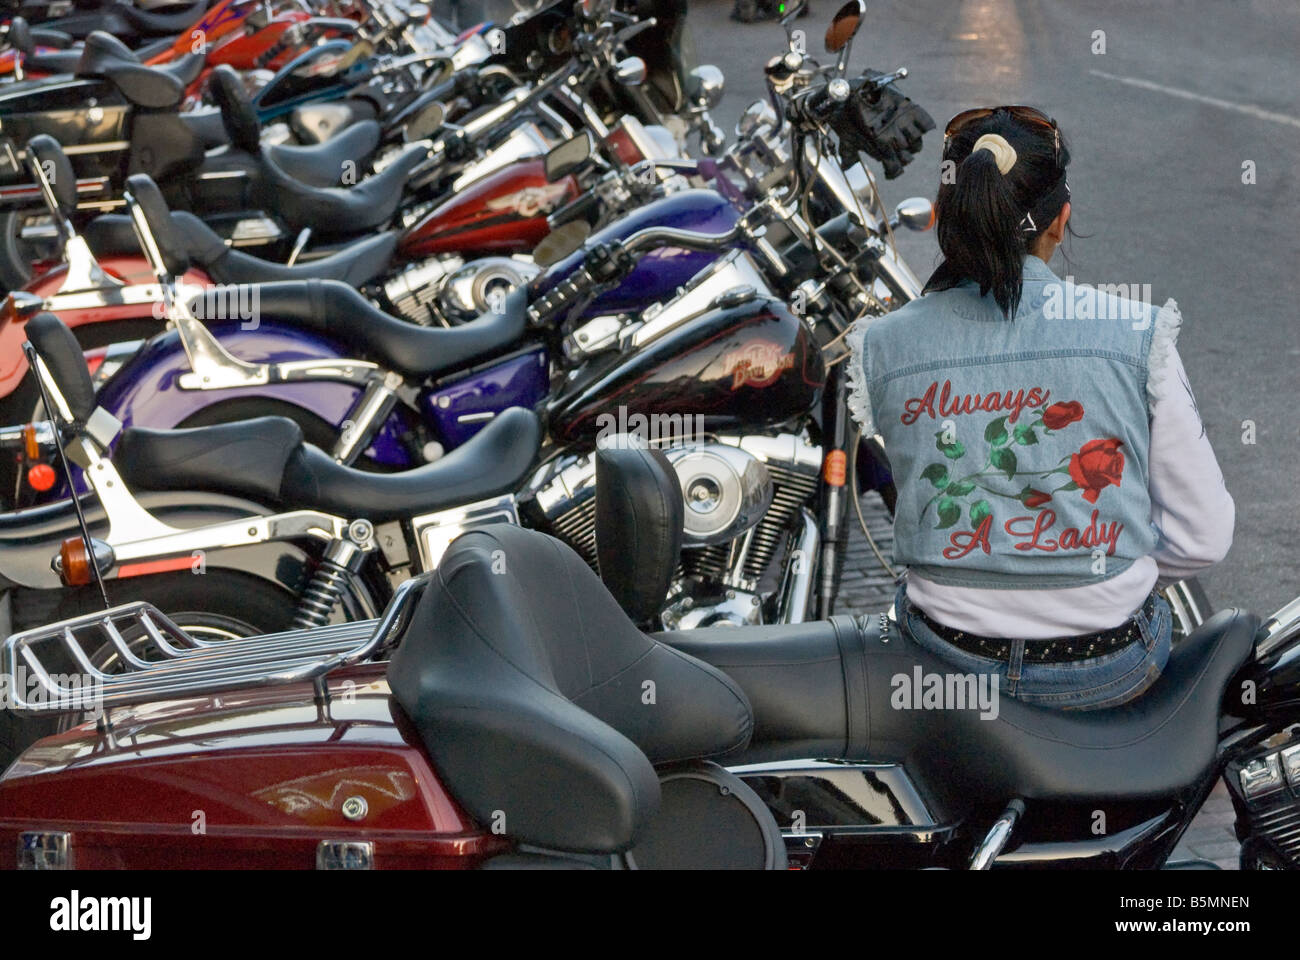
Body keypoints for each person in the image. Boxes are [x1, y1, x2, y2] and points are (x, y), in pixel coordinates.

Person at [846, 105, 1234, 709]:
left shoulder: (882, 344)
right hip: (1105, 666)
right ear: (1061, 221)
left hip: (941, 667)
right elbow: (1202, 538)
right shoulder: (1136, 332)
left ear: (947, 218)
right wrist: (1094, 573)